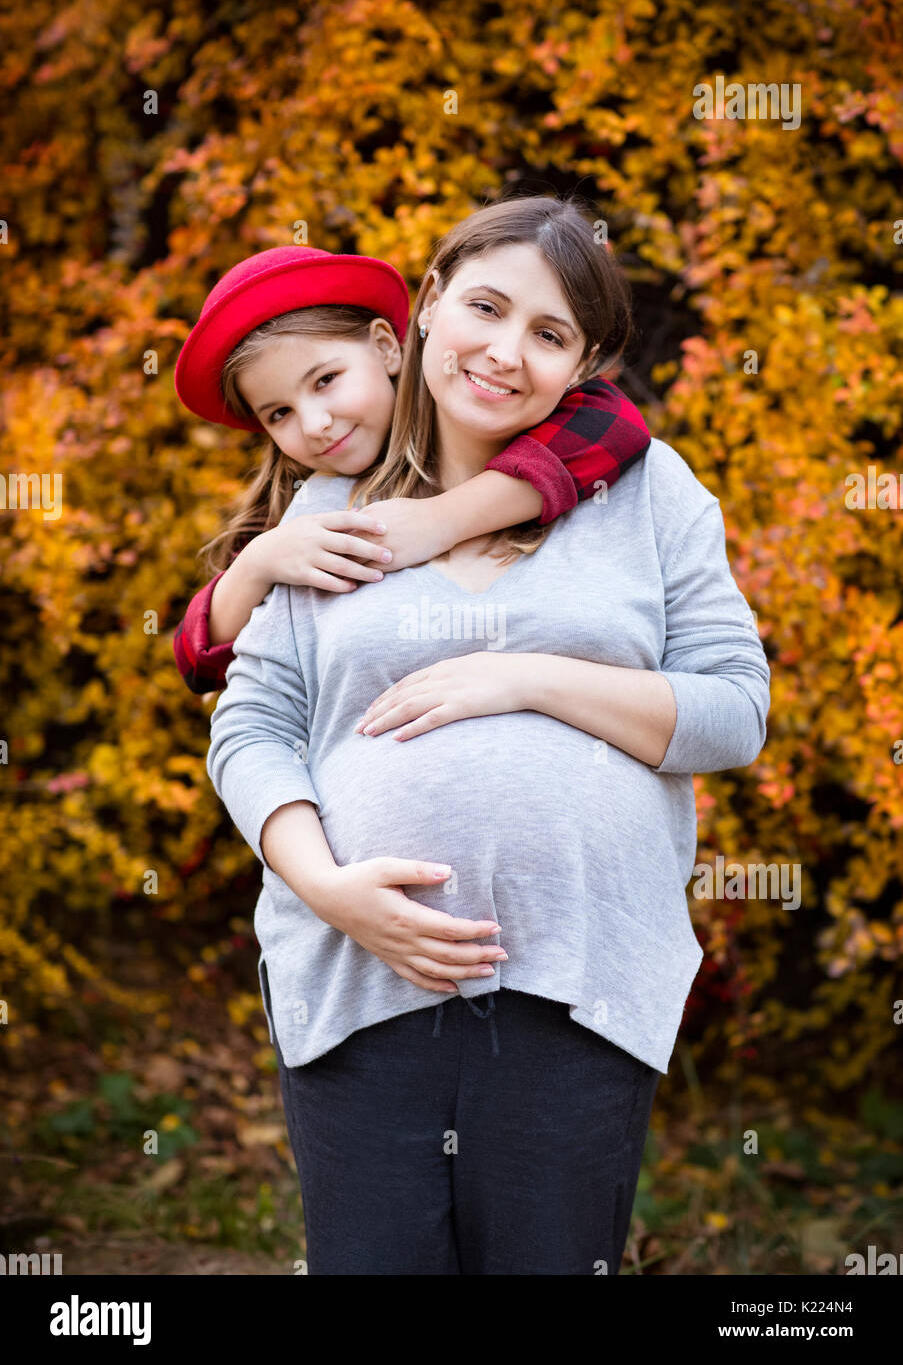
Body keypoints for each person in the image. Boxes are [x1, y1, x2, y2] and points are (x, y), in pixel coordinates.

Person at [205, 193, 771, 1275]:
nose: (506, 352)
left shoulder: (650, 493)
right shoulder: (329, 511)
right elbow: (251, 728)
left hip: (580, 980)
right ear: (426, 307)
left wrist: (523, 679)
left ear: (582, 364)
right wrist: (326, 885)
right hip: (358, 982)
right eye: (487, 307)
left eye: (549, 334)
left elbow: (732, 711)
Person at [172, 244, 651, 694]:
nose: (315, 424)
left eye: (325, 380)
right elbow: (200, 664)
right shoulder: (306, 504)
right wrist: (257, 563)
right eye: (279, 413)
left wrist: (442, 520)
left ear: (384, 346)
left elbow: (615, 424)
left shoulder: (467, 412)